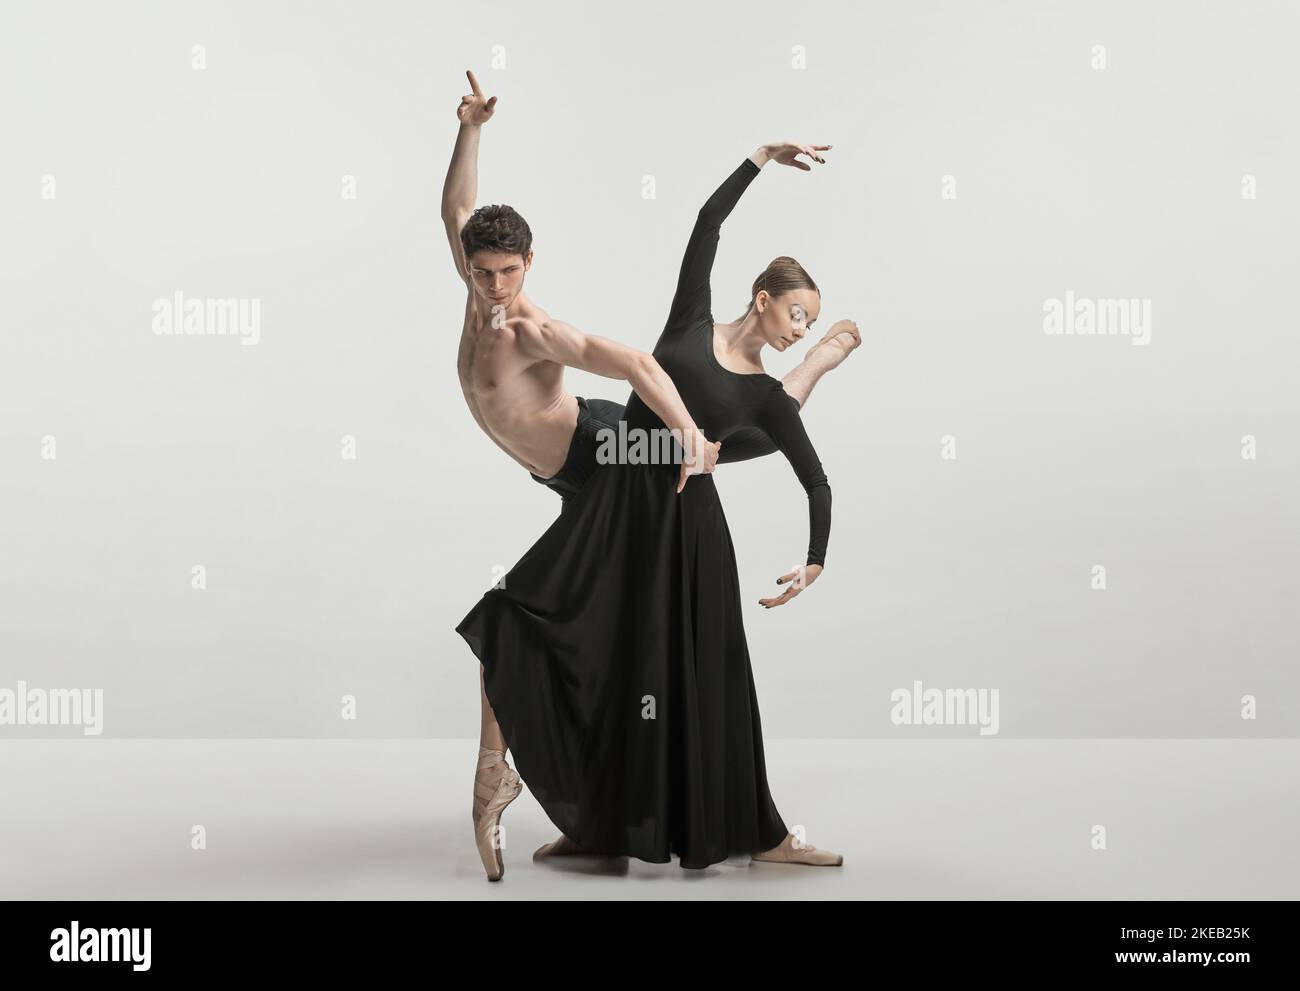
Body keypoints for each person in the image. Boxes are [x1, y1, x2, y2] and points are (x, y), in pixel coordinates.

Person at [442, 70, 859, 878]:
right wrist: (471, 129)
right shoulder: (475, 286)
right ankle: (605, 819)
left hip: (608, 457)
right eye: (482, 272)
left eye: (508, 273)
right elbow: (459, 209)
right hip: (601, 462)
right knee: (620, 633)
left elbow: (633, 361)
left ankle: (501, 777)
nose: (494, 288)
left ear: (528, 265)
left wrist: (692, 440)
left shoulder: (532, 326)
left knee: (730, 437)